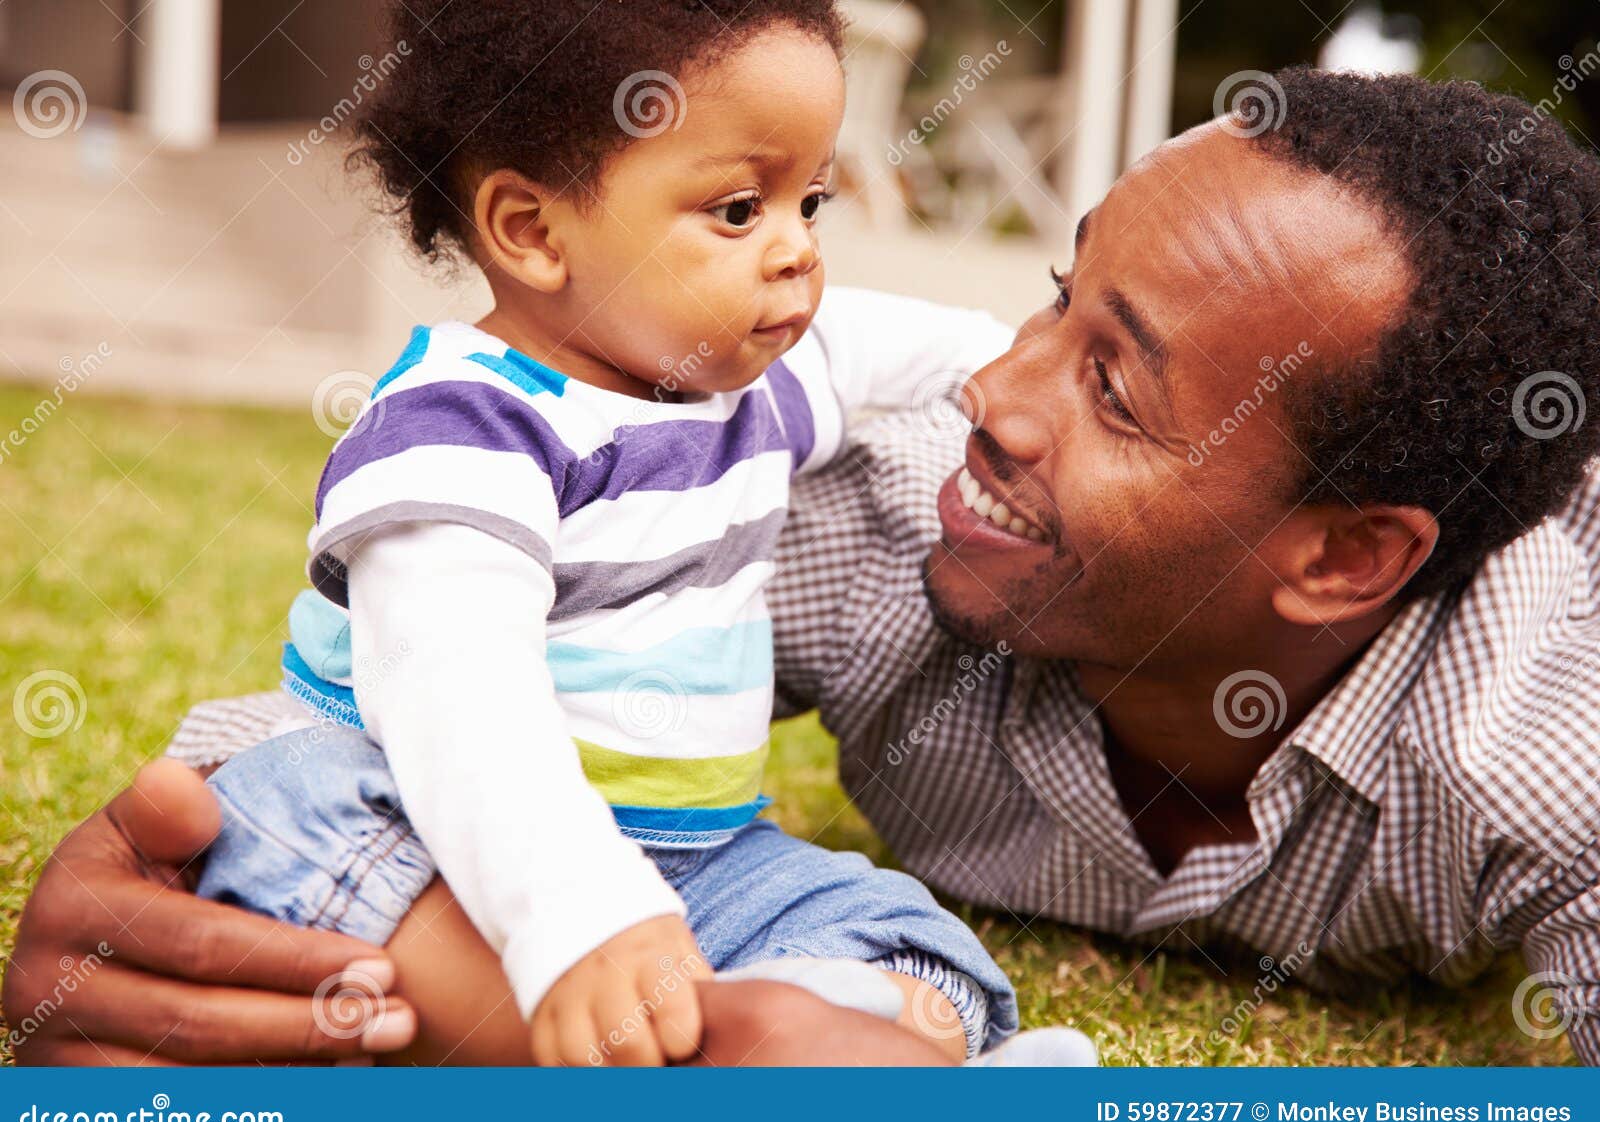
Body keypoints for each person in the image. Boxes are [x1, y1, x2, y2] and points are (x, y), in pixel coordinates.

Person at [9, 67, 1600, 1066]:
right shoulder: (863, 519)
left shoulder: (1539, 741)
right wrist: (171, 856)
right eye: (1052, 299)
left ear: (1343, 563)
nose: (992, 394)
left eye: (1115, 388)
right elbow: (443, 665)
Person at [164, 0, 1079, 1068]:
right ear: (533, 230)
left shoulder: (761, 378)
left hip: (691, 857)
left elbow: (980, 360)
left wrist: (1084, 399)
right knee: (308, 836)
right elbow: (460, 699)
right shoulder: (468, 427)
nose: (796, 251)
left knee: (920, 953)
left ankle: (769, 1032)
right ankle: (717, 1045)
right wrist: (575, 910)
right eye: (740, 207)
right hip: (415, 820)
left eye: (812, 200)